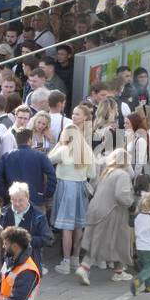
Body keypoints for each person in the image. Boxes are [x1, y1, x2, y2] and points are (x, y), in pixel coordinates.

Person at [74, 151, 136, 286]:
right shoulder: (123, 175)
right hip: (111, 212)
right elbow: (121, 195)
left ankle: (118, 271)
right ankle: (84, 267)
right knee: (105, 240)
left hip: (96, 209)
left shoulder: (107, 172)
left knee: (107, 240)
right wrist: (132, 204)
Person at [48, 106, 95, 273]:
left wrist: (58, 144)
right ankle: (75, 259)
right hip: (81, 187)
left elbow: (48, 161)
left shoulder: (63, 150)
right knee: (78, 226)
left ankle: (66, 262)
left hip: (65, 187)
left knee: (66, 227)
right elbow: (92, 173)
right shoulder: (87, 150)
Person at [132, 192, 150, 295]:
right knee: (149, 268)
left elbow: (130, 223)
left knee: (144, 266)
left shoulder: (137, 216)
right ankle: (138, 281)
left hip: (139, 247)